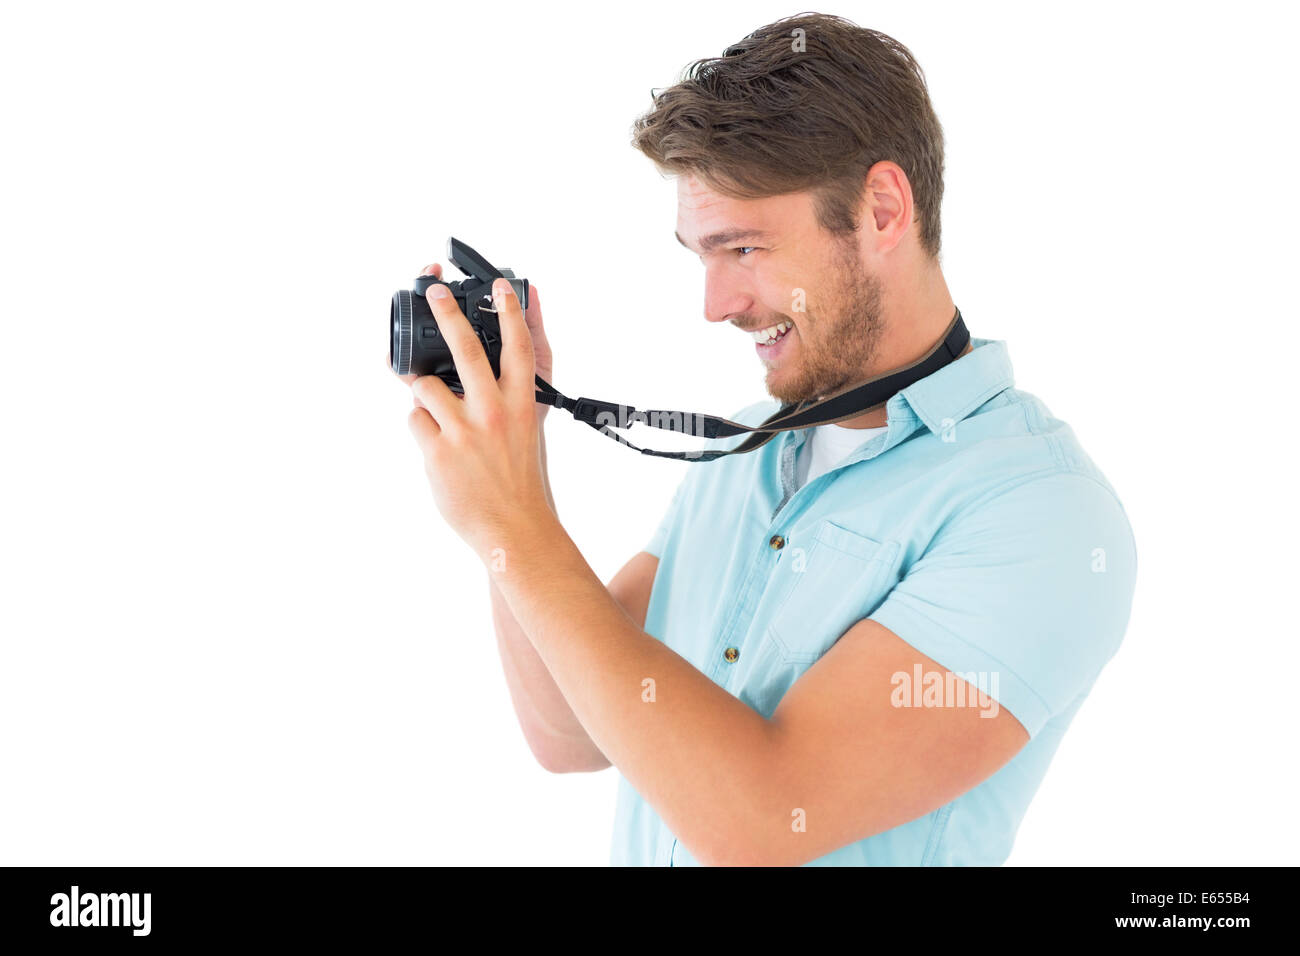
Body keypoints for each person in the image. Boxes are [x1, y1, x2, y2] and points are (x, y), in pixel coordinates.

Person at [396, 12, 1137, 866]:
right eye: (701, 256)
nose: (715, 305)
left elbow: (765, 816)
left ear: (883, 209)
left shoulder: (1041, 514)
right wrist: (513, 478)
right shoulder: (743, 453)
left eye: (743, 247)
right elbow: (569, 734)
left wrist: (515, 530)